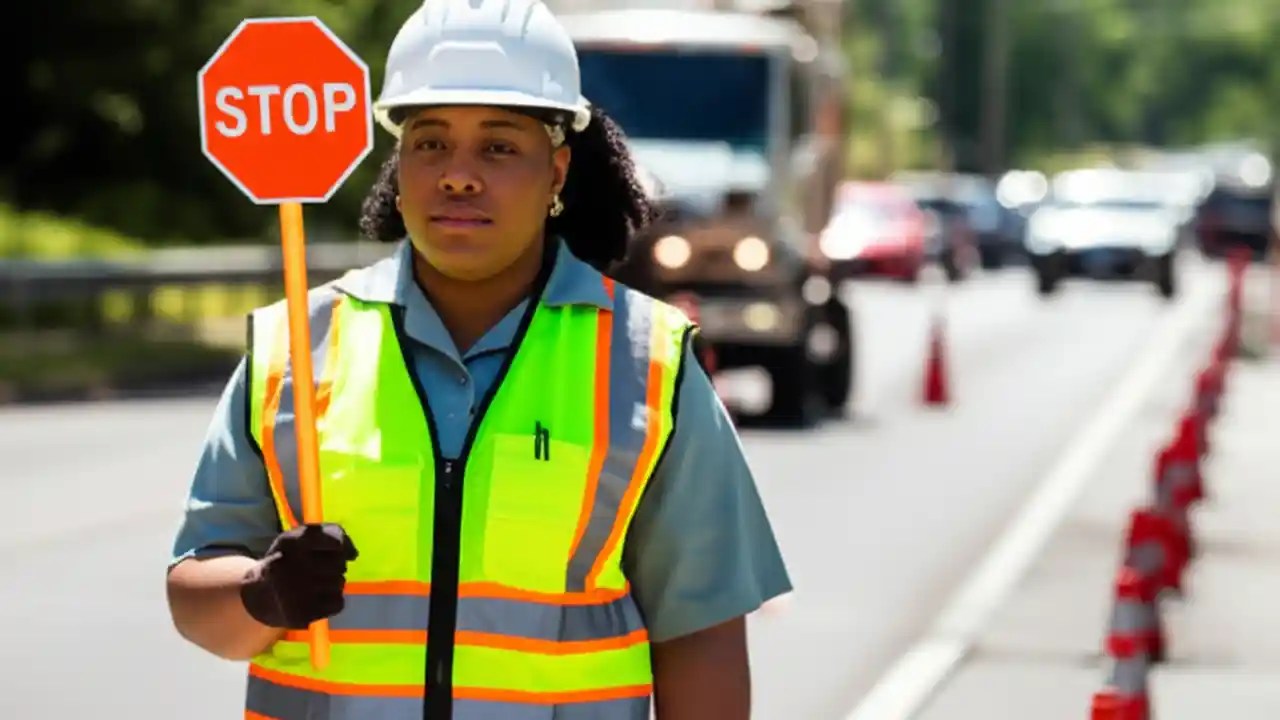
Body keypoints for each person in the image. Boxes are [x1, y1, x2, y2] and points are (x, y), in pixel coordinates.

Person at [165, 1, 791, 718]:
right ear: (399, 166)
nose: (458, 176)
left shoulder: (650, 362)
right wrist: (261, 593)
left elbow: (701, 630)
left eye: (497, 147)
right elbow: (195, 595)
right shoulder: (292, 348)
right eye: (430, 143)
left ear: (557, 170)